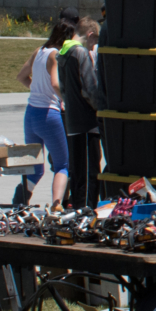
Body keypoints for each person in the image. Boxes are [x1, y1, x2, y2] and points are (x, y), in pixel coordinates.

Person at [14, 19, 76, 208]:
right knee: (62, 165)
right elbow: (55, 83)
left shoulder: (38, 51)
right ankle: (57, 203)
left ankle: (21, 198)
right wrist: (64, 99)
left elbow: (21, 76)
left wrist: (37, 90)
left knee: (34, 165)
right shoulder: (54, 54)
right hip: (48, 114)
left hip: (31, 113)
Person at [58, 17, 104, 209]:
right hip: (87, 123)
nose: (95, 46)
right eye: (95, 40)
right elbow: (89, 88)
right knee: (90, 172)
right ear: (90, 34)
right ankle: (87, 211)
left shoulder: (62, 53)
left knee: (77, 172)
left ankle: (77, 209)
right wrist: (101, 107)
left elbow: (63, 88)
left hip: (72, 121)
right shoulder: (80, 53)